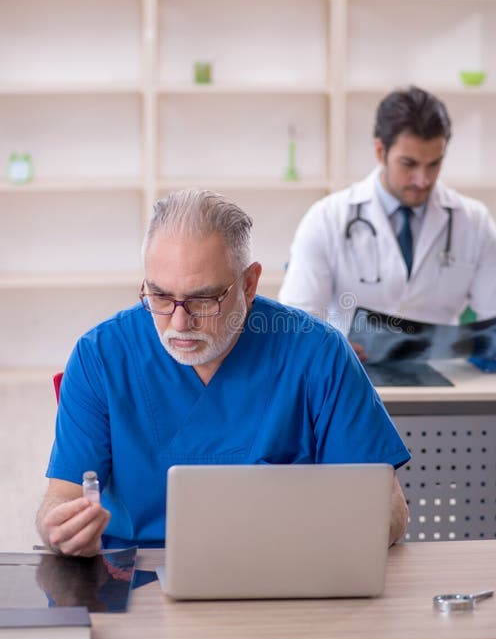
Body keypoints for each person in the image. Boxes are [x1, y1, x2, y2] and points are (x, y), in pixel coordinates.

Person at [37, 189, 410, 556]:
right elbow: (61, 498)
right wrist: (61, 529)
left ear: (248, 284)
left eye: (203, 299)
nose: (178, 322)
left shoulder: (318, 354)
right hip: (136, 580)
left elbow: (390, 509)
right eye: (160, 296)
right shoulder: (101, 356)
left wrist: (340, 534)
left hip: (288, 575)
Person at [279, 86, 496, 366]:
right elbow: (297, 322)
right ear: (380, 151)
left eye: (434, 164)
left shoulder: (473, 220)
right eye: (409, 164)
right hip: (351, 377)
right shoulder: (327, 218)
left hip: (444, 378)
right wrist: (328, 348)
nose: (422, 179)